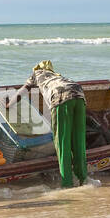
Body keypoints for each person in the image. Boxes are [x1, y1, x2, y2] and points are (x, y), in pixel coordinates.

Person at [14, 60, 88, 188]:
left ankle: (67, 184)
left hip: (60, 97)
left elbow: (22, 92)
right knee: (79, 140)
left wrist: (9, 104)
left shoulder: (36, 74)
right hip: (79, 95)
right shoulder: (57, 75)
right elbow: (70, 88)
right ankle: (83, 179)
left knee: (62, 142)